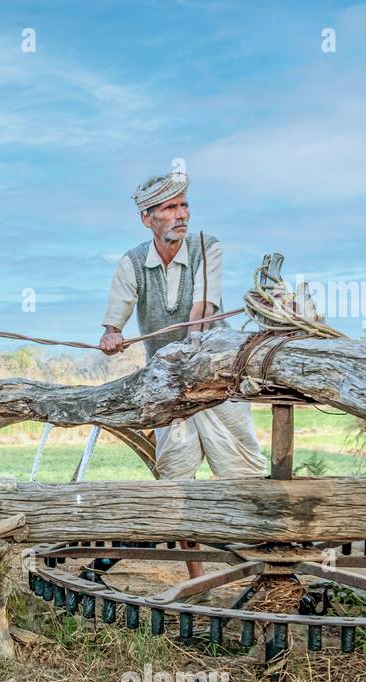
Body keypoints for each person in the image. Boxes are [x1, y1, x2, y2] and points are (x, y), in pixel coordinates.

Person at [99, 171, 267, 481]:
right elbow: (113, 327)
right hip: (167, 383)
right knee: (174, 471)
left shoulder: (206, 246)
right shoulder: (132, 262)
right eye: (169, 208)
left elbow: (203, 307)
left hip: (218, 376)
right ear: (147, 219)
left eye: (184, 206)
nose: (181, 215)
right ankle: (179, 528)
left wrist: (192, 348)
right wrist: (112, 336)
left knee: (241, 471)